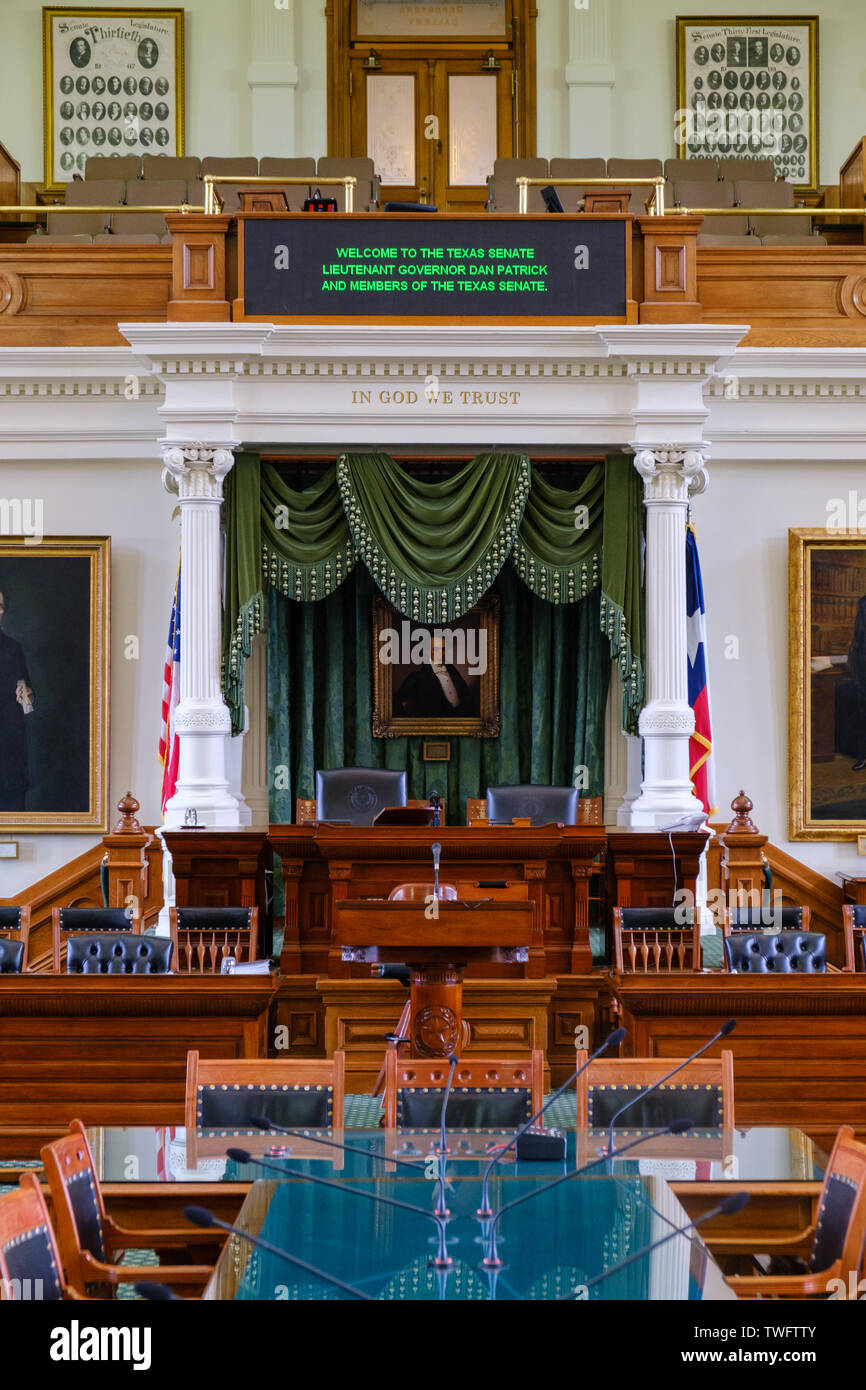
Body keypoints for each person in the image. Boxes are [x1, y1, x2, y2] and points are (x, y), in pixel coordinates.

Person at [0, 591, 34, 813]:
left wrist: (27, 696)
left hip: (8, 752)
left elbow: (29, 699)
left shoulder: (13, 648)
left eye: (1, 606)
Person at [394, 635, 479, 719]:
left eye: (443, 649)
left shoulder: (452, 669)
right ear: (427, 651)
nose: (441, 654)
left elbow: (467, 696)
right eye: (436, 649)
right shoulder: (417, 678)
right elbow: (398, 704)